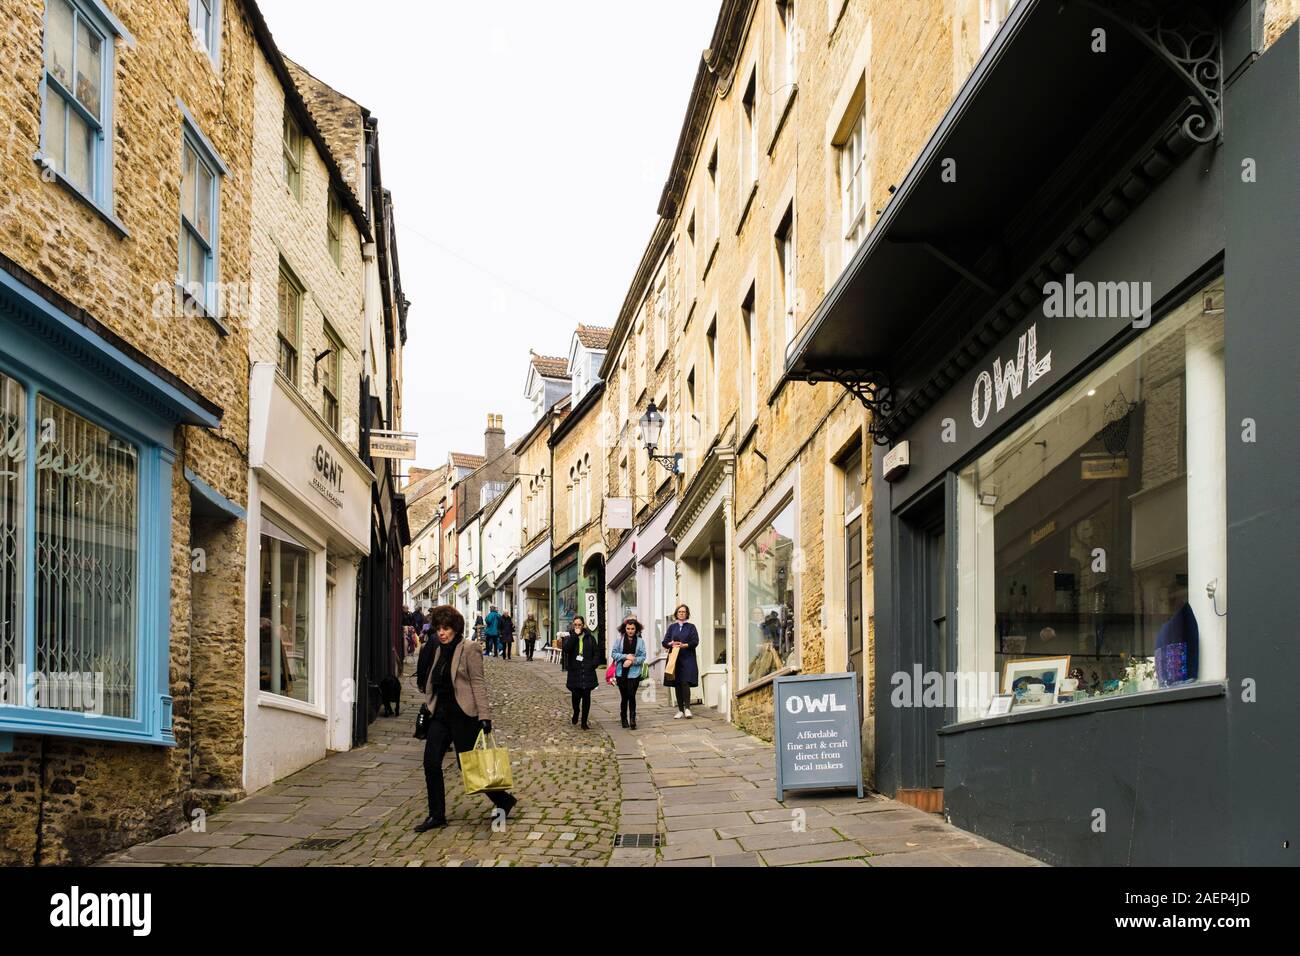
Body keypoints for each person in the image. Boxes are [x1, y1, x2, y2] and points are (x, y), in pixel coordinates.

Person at [414, 605, 517, 831]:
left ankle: (503, 800)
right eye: (438, 628)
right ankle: (436, 814)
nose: (441, 632)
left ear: (455, 628)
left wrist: (485, 716)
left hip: (463, 715)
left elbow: (478, 682)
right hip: (440, 715)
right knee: (430, 762)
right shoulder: (437, 649)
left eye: (446, 628)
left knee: (469, 767)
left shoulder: (469, 648)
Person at [562, 615, 603, 729]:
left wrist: (593, 664)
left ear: (583, 625)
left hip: (587, 671)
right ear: (572, 625)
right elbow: (566, 649)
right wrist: (575, 635)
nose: (577, 627)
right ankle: (576, 712)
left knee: (586, 697)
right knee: (575, 697)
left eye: (579, 625)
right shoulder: (569, 637)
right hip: (575, 672)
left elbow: (596, 652)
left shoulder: (590, 637)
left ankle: (584, 722)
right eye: (575, 625)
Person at [663, 604, 699, 718]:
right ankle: (680, 710)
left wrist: (685, 645)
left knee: (685, 682)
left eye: (684, 612)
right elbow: (664, 642)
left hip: (687, 658)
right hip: (675, 659)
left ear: (687, 614)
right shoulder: (672, 627)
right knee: (677, 683)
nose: (681, 613)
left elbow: (695, 642)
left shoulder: (691, 627)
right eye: (679, 612)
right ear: (676, 614)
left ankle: (687, 708)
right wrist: (671, 644)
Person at [612, 616, 648, 729]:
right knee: (624, 697)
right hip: (621, 673)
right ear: (625, 629)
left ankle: (632, 719)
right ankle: (623, 718)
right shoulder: (619, 640)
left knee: (632, 695)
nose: (630, 631)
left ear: (636, 629)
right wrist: (625, 657)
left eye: (632, 629)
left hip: (634, 673)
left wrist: (633, 661)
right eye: (628, 628)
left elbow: (643, 656)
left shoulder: (641, 641)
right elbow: (614, 654)